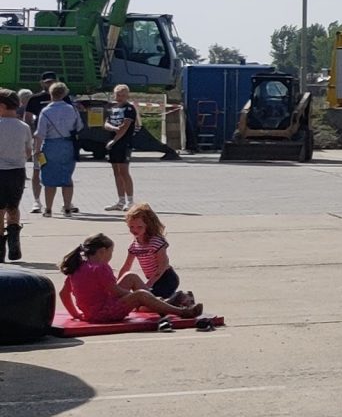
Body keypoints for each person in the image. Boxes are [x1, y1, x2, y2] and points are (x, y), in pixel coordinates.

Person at [58, 234, 200, 323]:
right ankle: (182, 312)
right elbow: (115, 291)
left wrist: (76, 314)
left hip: (95, 311)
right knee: (141, 295)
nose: (111, 256)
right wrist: (138, 297)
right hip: (104, 313)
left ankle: (159, 304)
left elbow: (63, 294)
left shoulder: (77, 266)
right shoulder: (101, 268)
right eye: (111, 252)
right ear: (102, 251)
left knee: (130, 276)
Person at [117, 203, 189, 307]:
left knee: (149, 303)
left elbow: (163, 265)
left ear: (148, 225)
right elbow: (126, 266)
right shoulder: (134, 246)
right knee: (144, 302)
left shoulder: (156, 242)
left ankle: (181, 298)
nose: (135, 230)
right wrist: (118, 285)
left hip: (167, 278)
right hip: (154, 280)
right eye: (131, 227)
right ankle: (177, 299)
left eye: (139, 227)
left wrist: (149, 284)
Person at [34, 82, 80, 217]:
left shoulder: (46, 111)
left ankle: (48, 209)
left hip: (50, 145)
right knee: (67, 177)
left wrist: (37, 150)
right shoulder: (72, 109)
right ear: (65, 93)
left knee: (49, 178)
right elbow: (79, 126)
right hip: (67, 145)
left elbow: (40, 133)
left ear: (50, 93)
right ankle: (67, 208)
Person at [102, 84, 140, 212]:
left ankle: (130, 201)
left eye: (123, 95)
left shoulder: (129, 108)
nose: (120, 97)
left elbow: (125, 126)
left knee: (124, 171)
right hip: (112, 143)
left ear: (127, 95)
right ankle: (120, 200)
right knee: (116, 172)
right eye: (118, 95)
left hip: (124, 143)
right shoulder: (112, 108)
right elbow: (107, 123)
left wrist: (114, 140)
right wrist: (112, 129)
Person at [0, 91, 28, 260]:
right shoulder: (23, 127)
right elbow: (28, 151)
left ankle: (0, 250)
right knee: (13, 207)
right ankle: (14, 246)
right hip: (17, 171)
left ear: (2, 106)